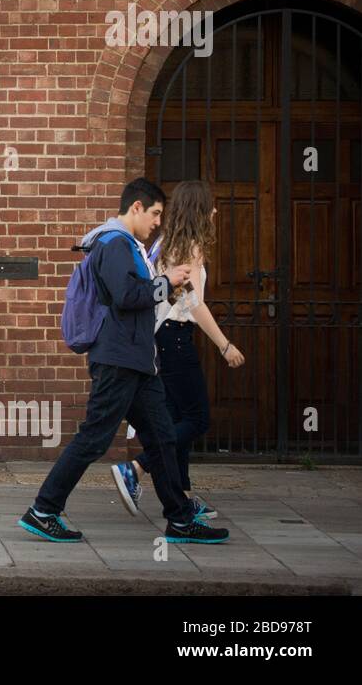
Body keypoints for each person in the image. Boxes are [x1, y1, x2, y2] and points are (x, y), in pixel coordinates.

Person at [18, 178, 230, 544]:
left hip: (137, 361)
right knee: (94, 438)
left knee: (163, 437)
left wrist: (163, 282)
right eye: (155, 214)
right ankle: (44, 509)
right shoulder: (115, 244)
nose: (158, 222)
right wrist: (167, 281)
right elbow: (126, 296)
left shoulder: (127, 244)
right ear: (136, 207)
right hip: (118, 360)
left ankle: (180, 519)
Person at [112, 180, 244, 521]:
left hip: (160, 339)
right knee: (197, 419)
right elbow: (193, 305)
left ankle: (183, 499)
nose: (215, 211)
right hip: (176, 338)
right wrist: (224, 344)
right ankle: (137, 468)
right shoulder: (191, 248)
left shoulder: (164, 244)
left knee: (174, 420)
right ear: (199, 209)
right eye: (210, 205)